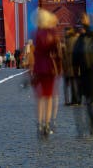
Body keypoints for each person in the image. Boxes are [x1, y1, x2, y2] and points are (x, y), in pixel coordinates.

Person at [32, 9, 62, 138]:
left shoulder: (36, 33)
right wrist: (59, 67)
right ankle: (47, 124)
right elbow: (57, 52)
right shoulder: (52, 33)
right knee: (48, 97)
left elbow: (35, 52)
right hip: (49, 68)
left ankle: (39, 124)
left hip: (38, 67)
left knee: (40, 97)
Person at [63, 27, 80, 106]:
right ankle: (76, 100)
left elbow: (65, 54)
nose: (64, 33)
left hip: (70, 64)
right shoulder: (75, 39)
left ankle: (72, 100)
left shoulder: (67, 40)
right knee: (75, 83)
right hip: (75, 64)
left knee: (71, 84)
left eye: (65, 31)